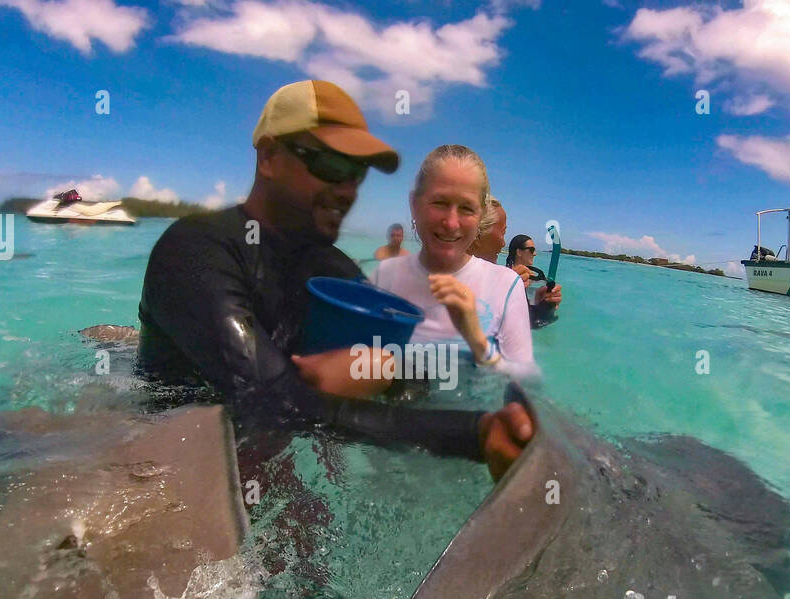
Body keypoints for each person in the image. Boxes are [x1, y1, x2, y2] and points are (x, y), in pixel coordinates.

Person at [136, 81, 533, 479]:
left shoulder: (331, 270)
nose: (345, 190)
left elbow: (412, 378)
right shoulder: (194, 250)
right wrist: (474, 434)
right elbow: (272, 399)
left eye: (355, 172)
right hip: (159, 463)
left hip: (264, 457)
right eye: (331, 166)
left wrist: (387, 372)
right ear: (271, 156)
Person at [371, 145, 537, 379]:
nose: (451, 223)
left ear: (480, 216)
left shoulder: (505, 284)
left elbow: (528, 382)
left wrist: (477, 340)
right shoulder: (384, 275)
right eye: (439, 202)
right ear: (415, 204)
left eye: (467, 208)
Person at [505, 233, 562, 326]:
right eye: (532, 250)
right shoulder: (503, 278)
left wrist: (548, 302)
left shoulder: (537, 279)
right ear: (519, 252)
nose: (535, 254)